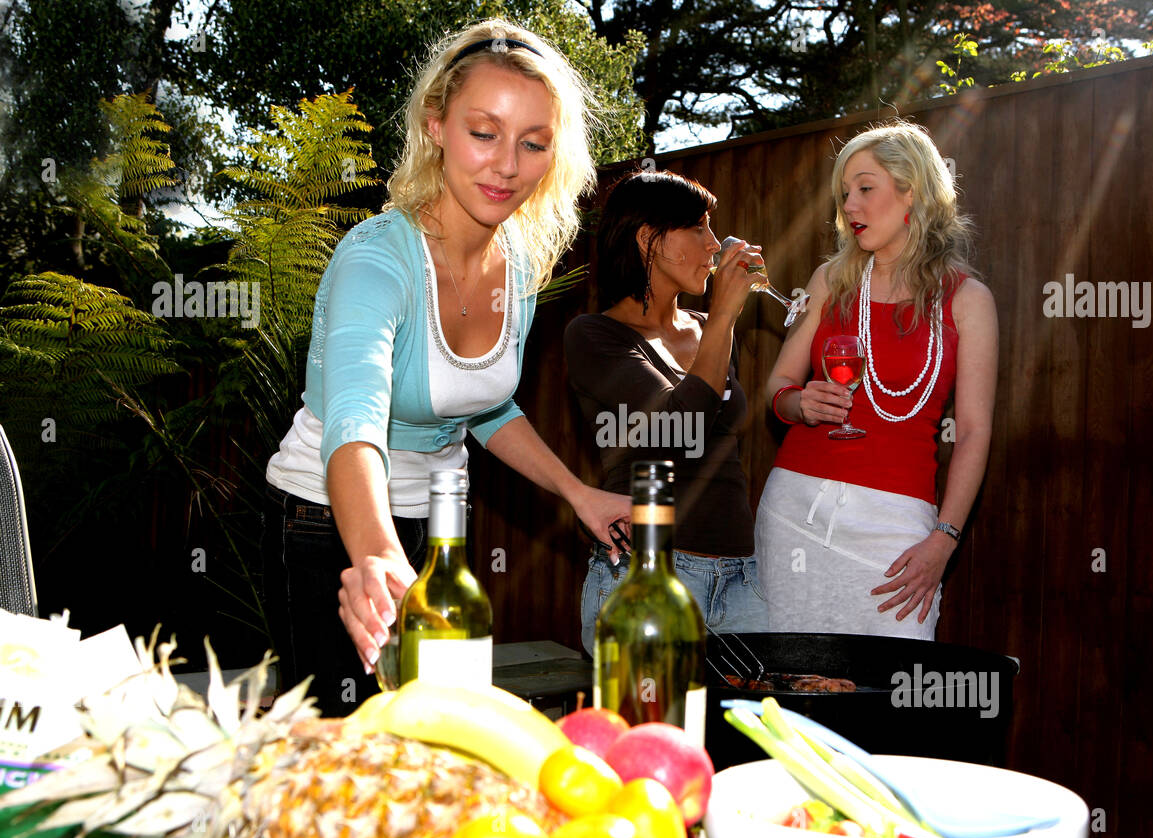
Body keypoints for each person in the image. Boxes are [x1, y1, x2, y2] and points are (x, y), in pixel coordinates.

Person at [262, 20, 628, 715]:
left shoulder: (518, 261)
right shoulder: (376, 261)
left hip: (432, 524)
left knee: (429, 730)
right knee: (346, 744)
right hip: (323, 517)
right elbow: (355, 421)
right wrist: (370, 554)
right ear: (436, 125)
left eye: (533, 143)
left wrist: (579, 494)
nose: (507, 165)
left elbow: (487, 409)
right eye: (483, 132)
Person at [757, 119, 998, 639]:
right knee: (792, 684)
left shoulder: (967, 299)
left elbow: (975, 431)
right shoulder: (832, 280)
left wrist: (945, 538)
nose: (850, 206)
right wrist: (801, 403)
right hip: (794, 510)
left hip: (895, 525)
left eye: (866, 188)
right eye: (845, 193)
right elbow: (777, 385)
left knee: (894, 691)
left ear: (913, 192)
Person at [566, 170, 770, 656]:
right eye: (699, 227)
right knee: (648, 729)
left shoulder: (708, 329)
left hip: (740, 576)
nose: (714, 244)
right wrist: (724, 315)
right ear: (649, 240)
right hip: (651, 575)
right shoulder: (594, 336)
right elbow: (677, 429)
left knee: (736, 730)